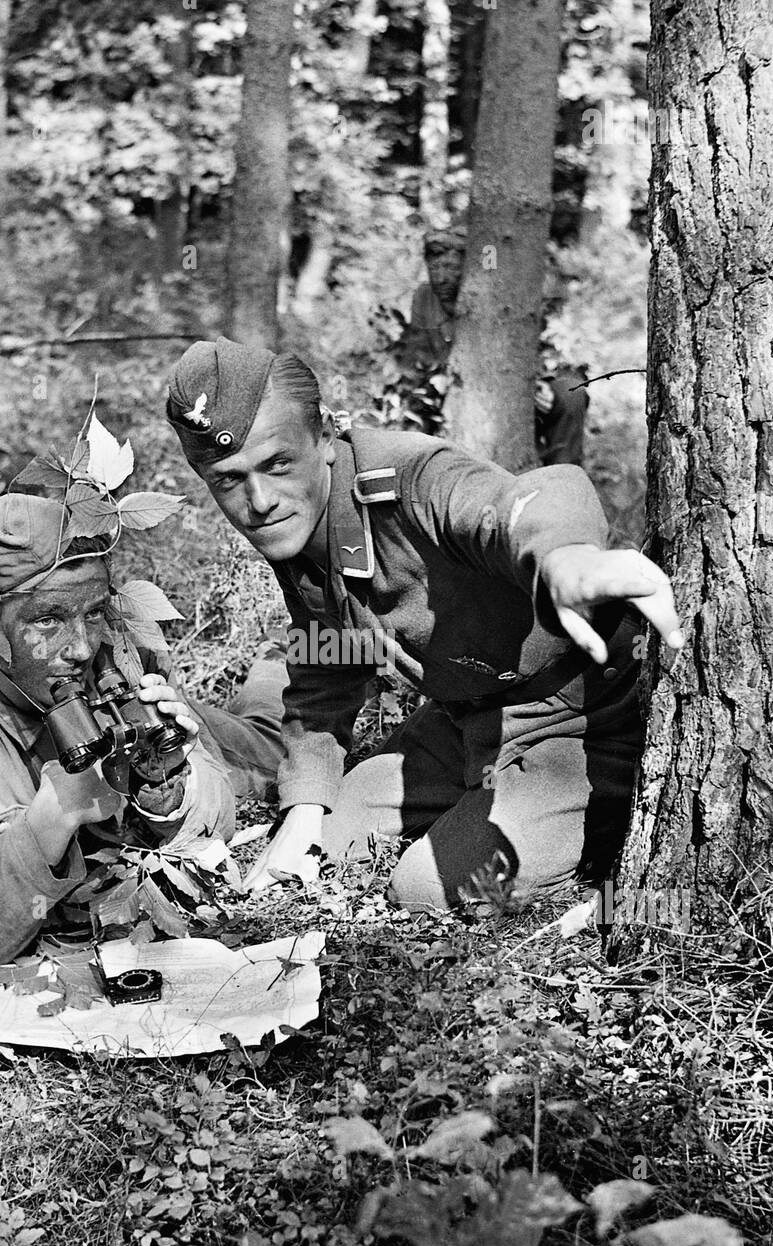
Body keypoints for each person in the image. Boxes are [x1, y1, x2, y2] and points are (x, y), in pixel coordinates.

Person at [164, 337, 684, 914]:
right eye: (228, 480)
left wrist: (566, 556)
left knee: (429, 888)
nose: (259, 501)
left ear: (325, 439)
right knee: (338, 833)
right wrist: (304, 808)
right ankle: (493, 796)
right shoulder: (301, 525)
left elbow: (538, 495)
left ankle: (614, 819)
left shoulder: (411, 479)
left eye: (277, 464)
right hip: (473, 720)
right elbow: (324, 669)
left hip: (586, 714)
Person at [0, 493, 287, 976]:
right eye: (48, 620)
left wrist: (169, 793)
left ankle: (280, 656)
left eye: (94, 613)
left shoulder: (119, 658)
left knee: (273, 751)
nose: (82, 648)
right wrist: (50, 821)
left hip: (239, 733)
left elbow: (217, 820)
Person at [395, 225, 590, 468]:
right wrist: (435, 379)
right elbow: (413, 363)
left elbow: (544, 353)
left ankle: (563, 480)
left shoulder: (500, 295)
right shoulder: (425, 297)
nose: (441, 279)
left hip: (511, 386)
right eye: (435, 268)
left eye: (451, 269)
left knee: (570, 395)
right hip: (449, 392)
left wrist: (534, 384)